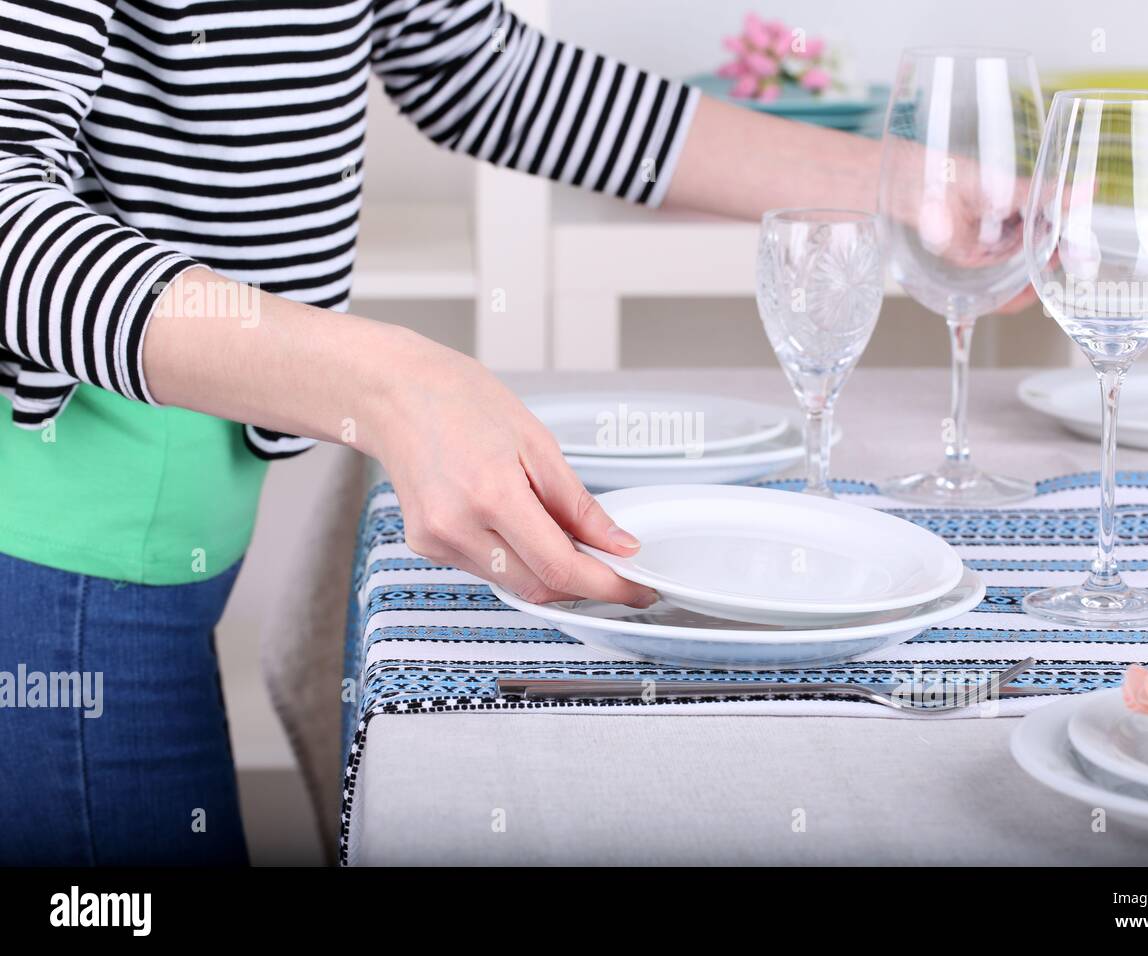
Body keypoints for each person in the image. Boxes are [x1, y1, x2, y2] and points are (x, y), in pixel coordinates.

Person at [0, 0, 890, 865]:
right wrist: (392, 382)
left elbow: (477, 67)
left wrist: (898, 189)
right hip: (54, 510)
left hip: (171, 504)